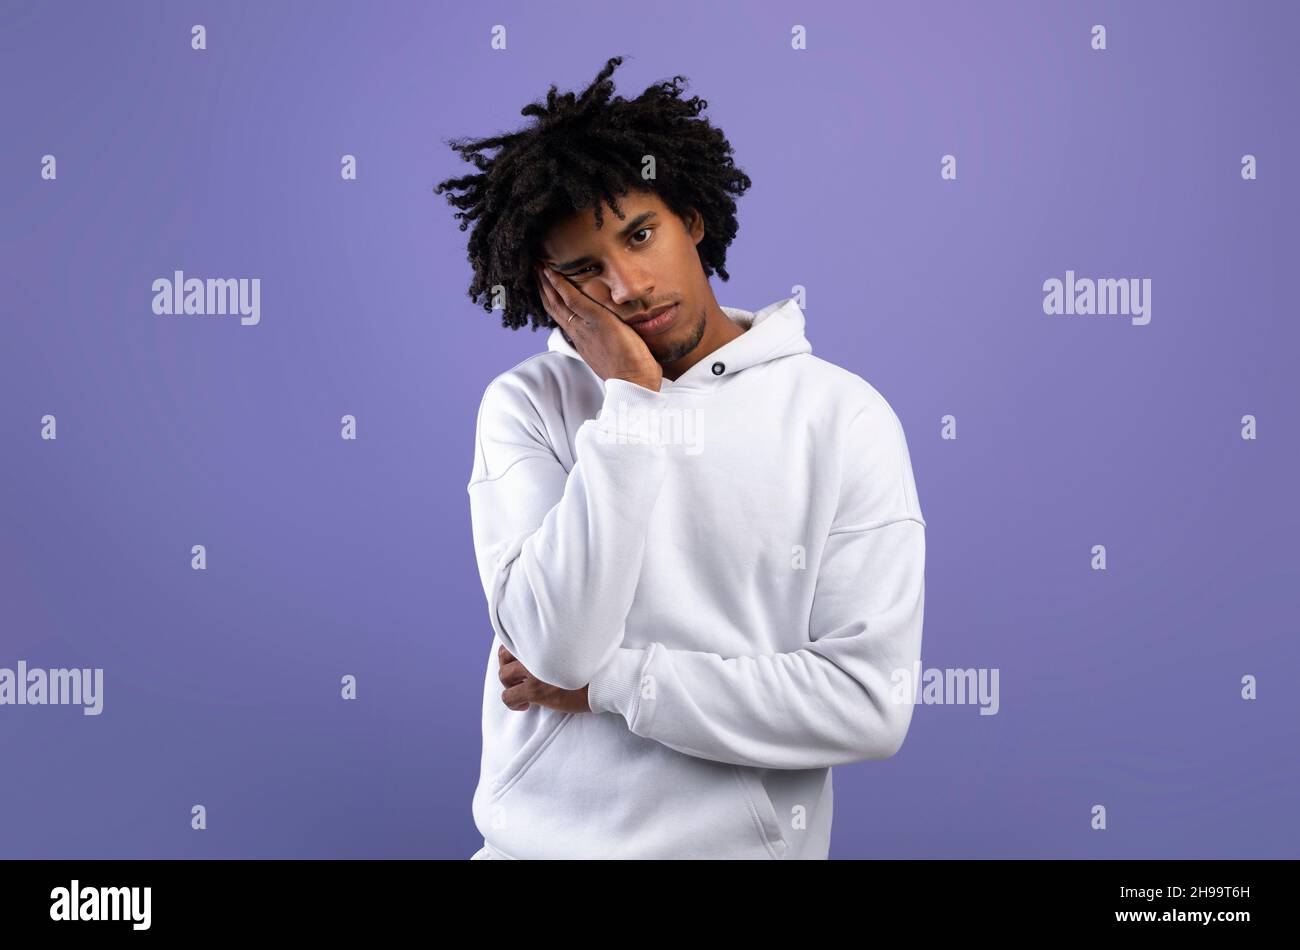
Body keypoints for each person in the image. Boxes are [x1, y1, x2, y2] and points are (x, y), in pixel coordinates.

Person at [436, 55, 926, 860]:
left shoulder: (842, 418)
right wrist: (631, 396)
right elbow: (554, 649)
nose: (627, 287)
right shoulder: (528, 406)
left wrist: (612, 684)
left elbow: (869, 704)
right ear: (547, 290)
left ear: (691, 219)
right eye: (583, 271)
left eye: (640, 236)